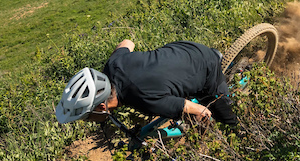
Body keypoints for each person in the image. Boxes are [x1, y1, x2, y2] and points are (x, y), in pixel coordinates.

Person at [55, 38, 238, 126]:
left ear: (102, 107)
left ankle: (235, 118)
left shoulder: (142, 99)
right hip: (182, 47)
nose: (90, 121)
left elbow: (202, 112)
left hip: (206, 66)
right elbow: (127, 42)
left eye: (88, 117)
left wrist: (202, 126)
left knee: (228, 120)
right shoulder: (112, 65)